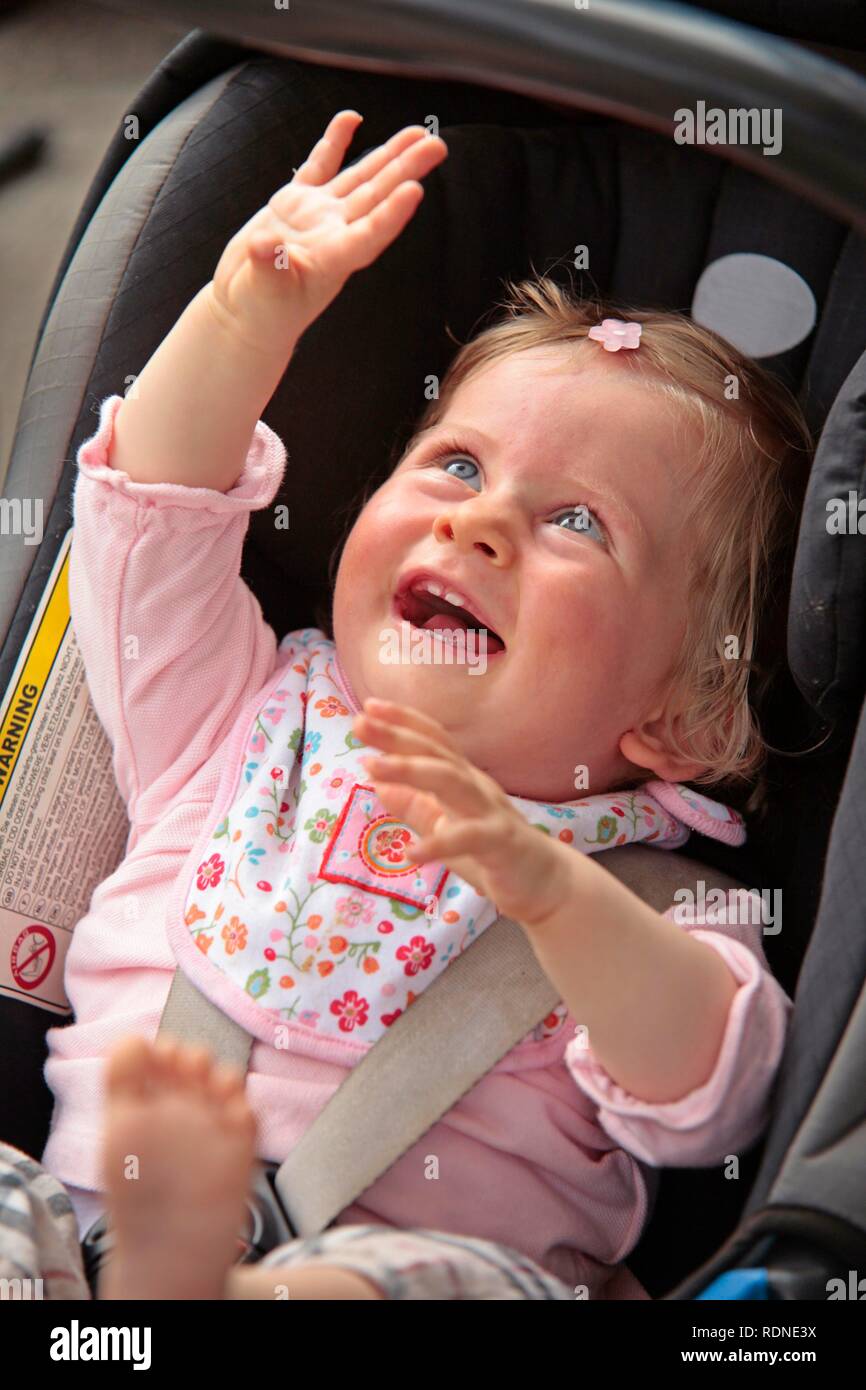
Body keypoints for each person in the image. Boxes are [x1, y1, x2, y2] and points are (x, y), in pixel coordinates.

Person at [24, 110, 809, 1300]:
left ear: (682, 719)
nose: (476, 521)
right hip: (79, 1251)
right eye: (456, 464)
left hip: (410, 1272)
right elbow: (149, 509)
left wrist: (549, 894)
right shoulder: (233, 711)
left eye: (578, 523)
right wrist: (244, 314)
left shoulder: (655, 901)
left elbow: (709, 1088)